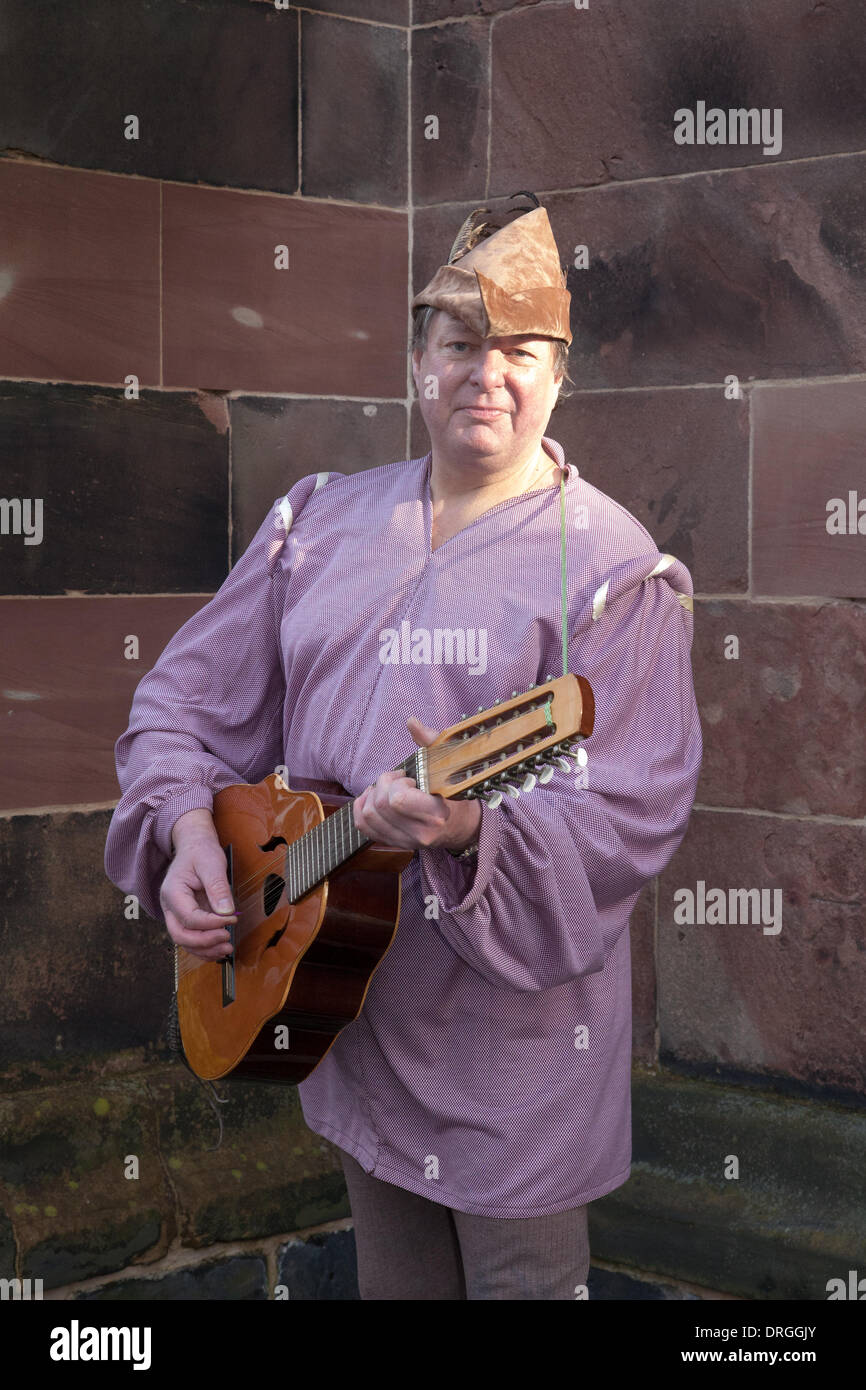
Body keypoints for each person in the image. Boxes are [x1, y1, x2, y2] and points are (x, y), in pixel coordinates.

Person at [104, 198, 702, 1301]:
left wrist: (471, 824)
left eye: (518, 350)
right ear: (415, 362)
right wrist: (187, 829)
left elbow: (630, 811)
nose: (487, 373)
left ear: (559, 375)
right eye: (460, 344)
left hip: (511, 1053)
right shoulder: (317, 521)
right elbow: (180, 704)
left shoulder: (613, 571)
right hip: (344, 1004)